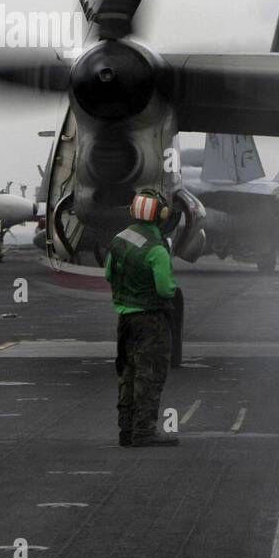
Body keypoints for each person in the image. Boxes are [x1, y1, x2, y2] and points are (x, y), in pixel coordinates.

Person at [104, 189, 179, 448]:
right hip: (150, 320)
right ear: (161, 215)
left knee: (127, 373)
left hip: (124, 319)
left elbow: (108, 274)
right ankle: (144, 431)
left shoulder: (118, 240)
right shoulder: (156, 249)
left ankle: (126, 430)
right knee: (150, 374)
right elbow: (165, 289)